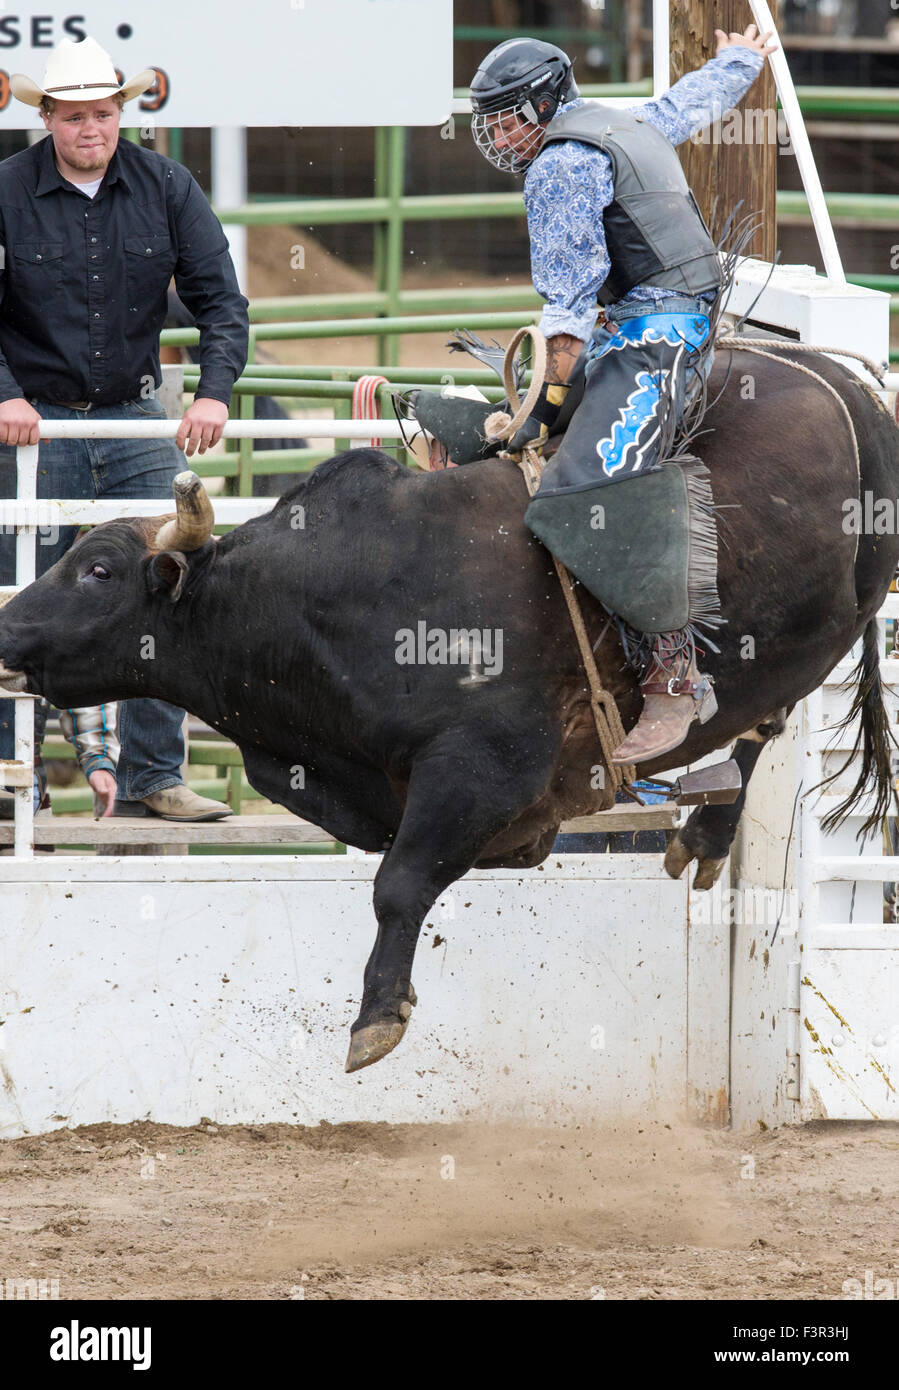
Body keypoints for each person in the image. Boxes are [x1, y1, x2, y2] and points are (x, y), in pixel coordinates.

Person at [468, 25, 777, 764]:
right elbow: (688, 102)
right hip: (669, 311)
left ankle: (674, 673)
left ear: (542, 105)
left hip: (653, 333)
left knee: (583, 487)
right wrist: (740, 59)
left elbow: (567, 320)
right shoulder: (616, 122)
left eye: (505, 115)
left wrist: (537, 408)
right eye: (489, 117)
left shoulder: (558, 168)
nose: (494, 132)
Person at [0, 36, 249, 820]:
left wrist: (211, 394)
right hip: (36, 425)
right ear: (48, 119)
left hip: (136, 415)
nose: (91, 130)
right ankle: (17, 781)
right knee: (20, 587)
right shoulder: (5, 189)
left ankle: (154, 777)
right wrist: (5, 394)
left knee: (170, 581)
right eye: (74, 117)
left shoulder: (166, 185)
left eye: (103, 113)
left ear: (120, 112)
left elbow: (221, 301)